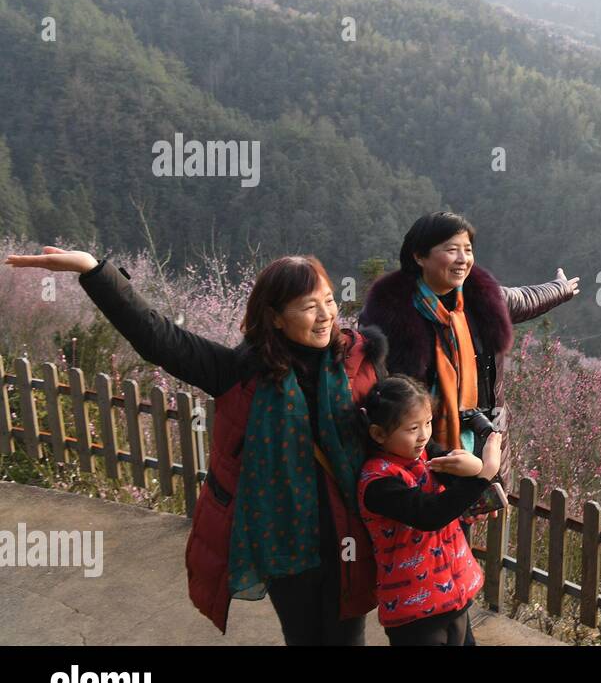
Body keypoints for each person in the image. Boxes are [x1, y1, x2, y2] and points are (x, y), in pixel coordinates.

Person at [4, 246, 385, 644]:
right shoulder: (239, 373)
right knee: (303, 636)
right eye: (309, 306)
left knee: (348, 636)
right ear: (274, 316)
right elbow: (158, 337)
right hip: (285, 543)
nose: (326, 315)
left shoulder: (359, 361)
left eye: (328, 301)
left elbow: (397, 428)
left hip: (351, 535)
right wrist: (94, 271)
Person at [359, 211, 578, 644]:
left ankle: (451, 608)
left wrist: (559, 289)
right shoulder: (390, 314)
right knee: (424, 532)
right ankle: (426, 616)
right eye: (451, 250)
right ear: (420, 255)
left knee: (455, 539)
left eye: (468, 250)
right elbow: (376, 385)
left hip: (473, 443)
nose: (463, 260)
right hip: (420, 449)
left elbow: (519, 299)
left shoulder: (477, 298)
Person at [356, 374, 502, 645]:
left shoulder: (426, 455)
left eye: (428, 423)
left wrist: (475, 471)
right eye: (412, 429)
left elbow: (458, 487)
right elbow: (429, 514)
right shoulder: (378, 482)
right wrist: (483, 475)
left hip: (453, 596)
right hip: (415, 614)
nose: (424, 435)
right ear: (378, 433)